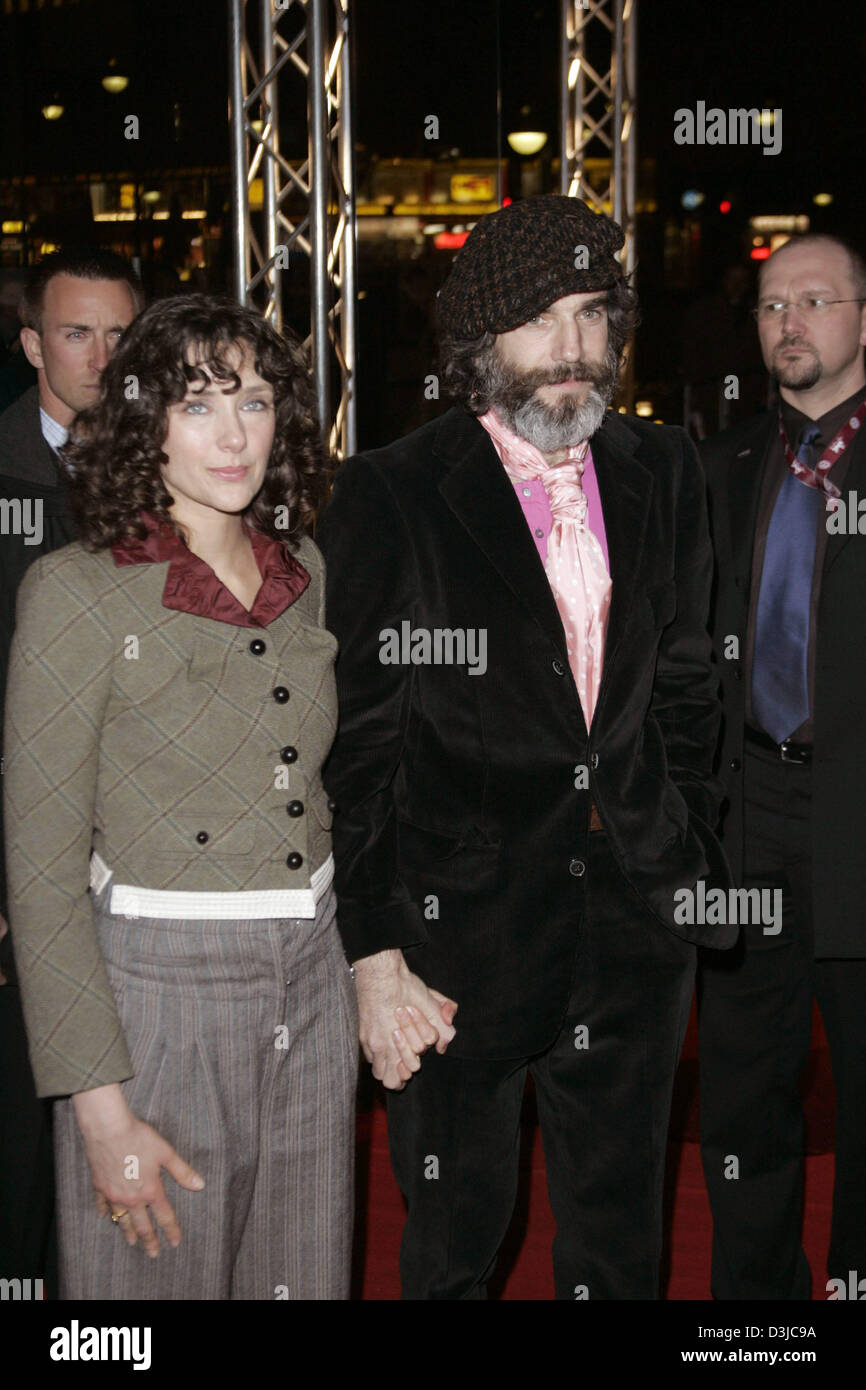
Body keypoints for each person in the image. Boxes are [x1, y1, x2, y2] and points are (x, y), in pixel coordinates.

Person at [317, 194, 734, 1301]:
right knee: (454, 1250)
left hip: (636, 936)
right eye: (539, 318)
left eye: (594, 315)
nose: (572, 350)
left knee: (619, 1247)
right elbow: (353, 752)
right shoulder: (390, 492)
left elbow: (688, 683)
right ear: (476, 342)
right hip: (455, 946)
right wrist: (371, 951)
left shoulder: (666, 468)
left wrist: (678, 840)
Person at [3, 294, 357, 1300]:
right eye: (196, 405)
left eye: (250, 399)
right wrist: (99, 1108)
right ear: (142, 419)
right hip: (157, 994)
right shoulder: (78, 590)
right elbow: (40, 867)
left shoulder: (306, 570)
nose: (234, 431)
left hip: (310, 976)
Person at [698, 233, 866, 1300]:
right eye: (769, 304)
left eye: (813, 300)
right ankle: (756, 1317)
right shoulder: (713, 468)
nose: (787, 323)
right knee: (741, 1097)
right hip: (743, 814)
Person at [0, 246, 142, 1295]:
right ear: (30, 342)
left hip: (143, 873)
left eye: (118, 334)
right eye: (73, 332)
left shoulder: (180, 470)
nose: (97, 356)